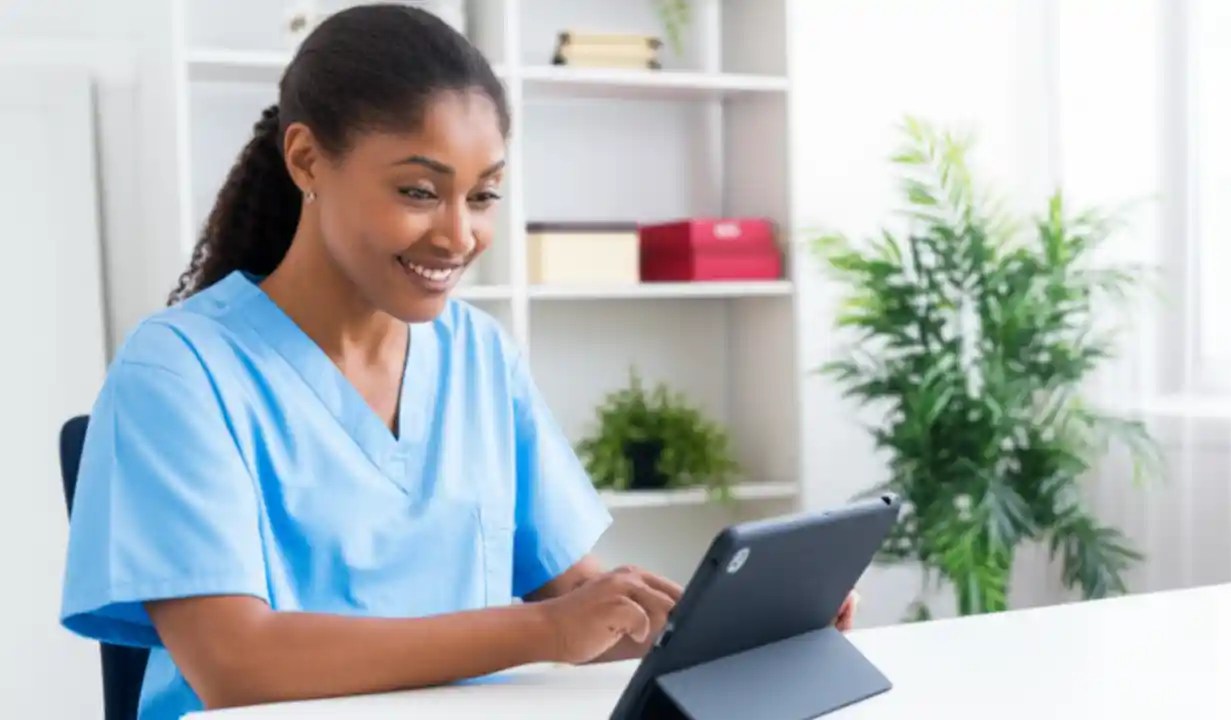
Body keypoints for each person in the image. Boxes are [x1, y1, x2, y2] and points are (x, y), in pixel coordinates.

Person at [59, 5, 857, 719]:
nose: (458, 235)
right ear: (306, 160)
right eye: (417, 192)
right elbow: (235, 663)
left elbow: (576, 597)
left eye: (482, 196)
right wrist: (542, 632)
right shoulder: (181, 369)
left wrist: (735, 626)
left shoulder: (477, 355)